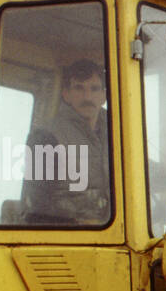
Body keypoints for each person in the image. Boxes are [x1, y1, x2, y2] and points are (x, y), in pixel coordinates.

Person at [22, 59, 112, 225]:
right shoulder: (45, 137)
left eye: (94, 89)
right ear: (66, 94)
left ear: (104, 96)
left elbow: (140, 173)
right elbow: (38, 205)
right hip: (69, 238)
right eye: (79, 88)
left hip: (113, 234)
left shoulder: (116, 134)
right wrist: (77, 222)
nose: (88, 96)